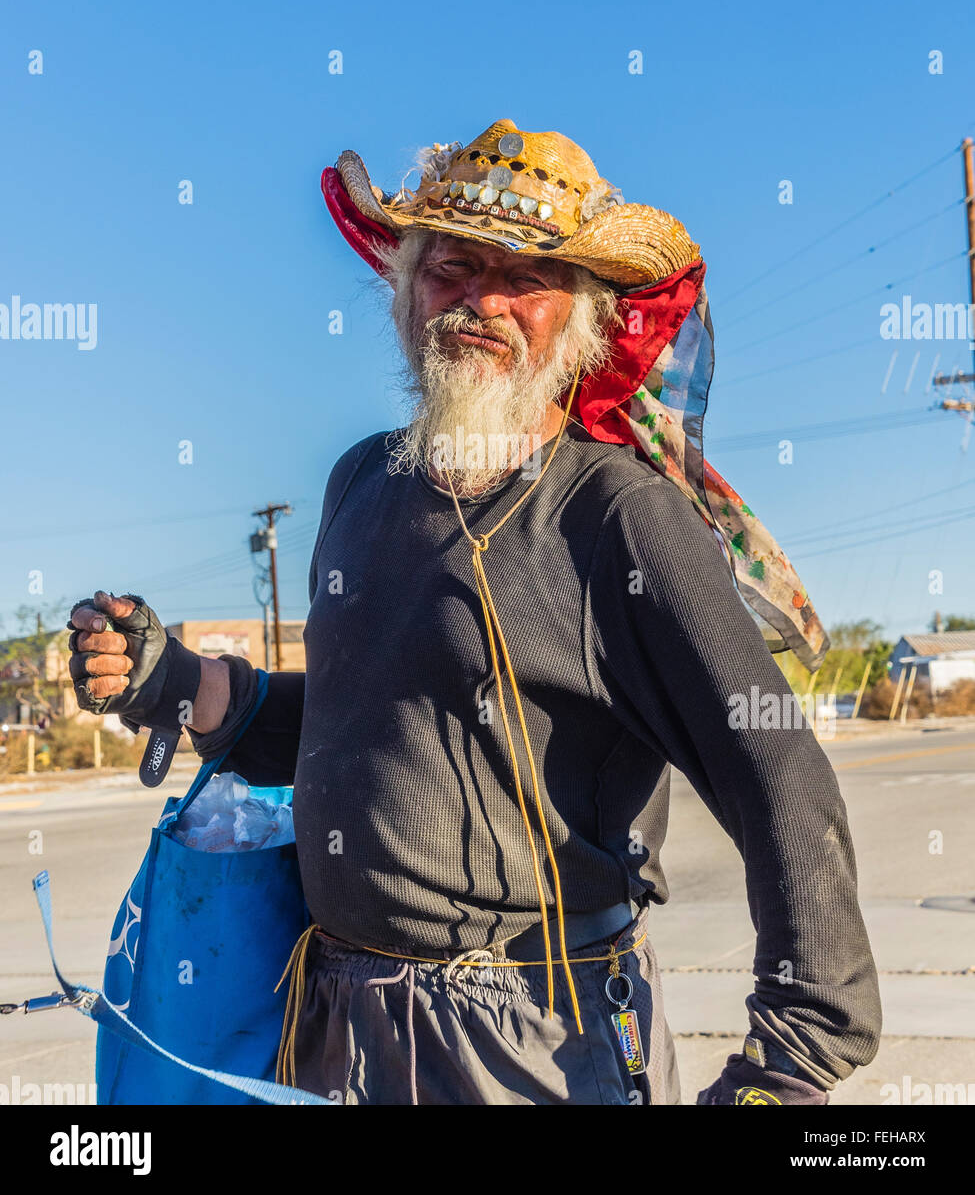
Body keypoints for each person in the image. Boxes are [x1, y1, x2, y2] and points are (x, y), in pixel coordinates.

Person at [68, 119, 881, 1106]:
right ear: (405, 290)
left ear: (582, 319)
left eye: (521, 278)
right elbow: (361, 719)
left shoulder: (616, 514)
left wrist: (793, 1058)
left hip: (538, 1037)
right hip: (334, 1024)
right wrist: (185, 684)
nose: (479, 301)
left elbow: (776, 768)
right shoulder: (362, 483)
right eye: (451, 268)